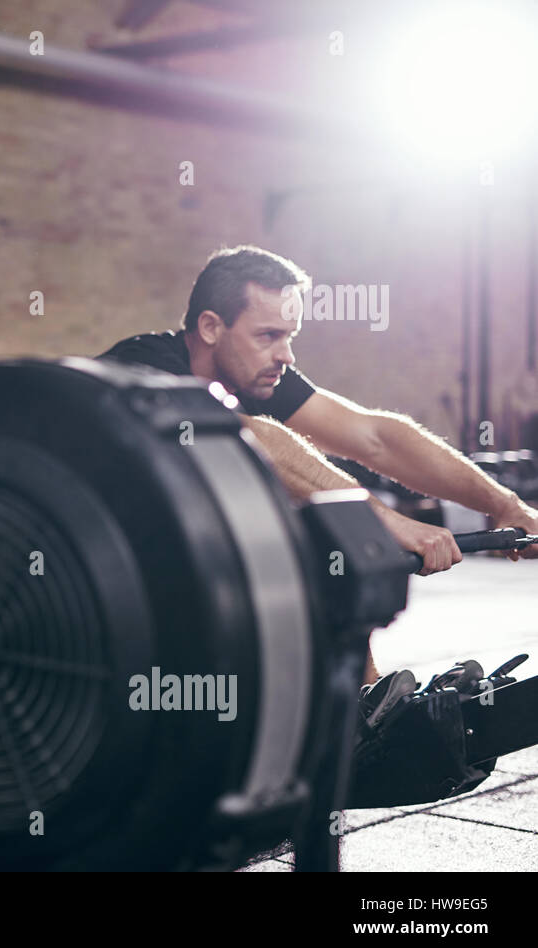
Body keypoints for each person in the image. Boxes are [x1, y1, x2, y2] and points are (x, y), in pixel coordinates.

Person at [97, 245, 538, 694]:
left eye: (290, 336)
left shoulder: (256, 374)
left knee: (323, 554)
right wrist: (379, 521)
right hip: (88, 578)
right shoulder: (143, 367)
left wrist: (505, 505)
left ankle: (365, 711)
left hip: (168, 568)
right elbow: (254, 437)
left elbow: (376, 438)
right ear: (211, 327)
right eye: (268, 335)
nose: (285, 355)